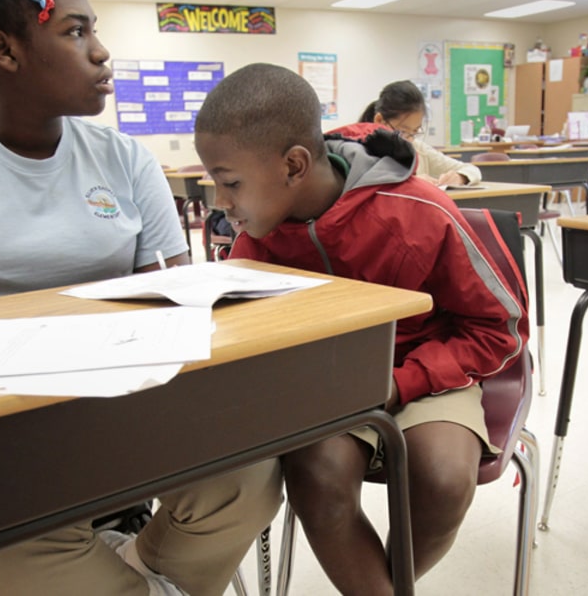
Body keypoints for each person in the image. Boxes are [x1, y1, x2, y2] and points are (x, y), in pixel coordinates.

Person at [0, 0, 280, 594]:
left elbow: (176, 305)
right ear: (3, 50)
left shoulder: (125, 158)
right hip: (3, 424)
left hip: (131, 404)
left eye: (95, 30)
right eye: (75, 30)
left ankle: (134, 566)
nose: (101, 50)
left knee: (249, 475)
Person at [194, 63, 527, 595]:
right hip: (331, 386)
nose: (221, 203)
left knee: (443, 478)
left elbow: (499, 328)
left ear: (295, 165)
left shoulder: (420, 209)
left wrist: (404, 382)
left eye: (230, 183)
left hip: (428, 367)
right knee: (318, 481)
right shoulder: (256, 237)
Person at [360, 80, 482, 186]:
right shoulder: (360, 152)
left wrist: (460, 177)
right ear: (379, 121)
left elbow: (471, 169)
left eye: (414, 132)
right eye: (402, 132)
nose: (407, 140)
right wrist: (412, 184)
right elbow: (368, 188)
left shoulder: (418, 148)